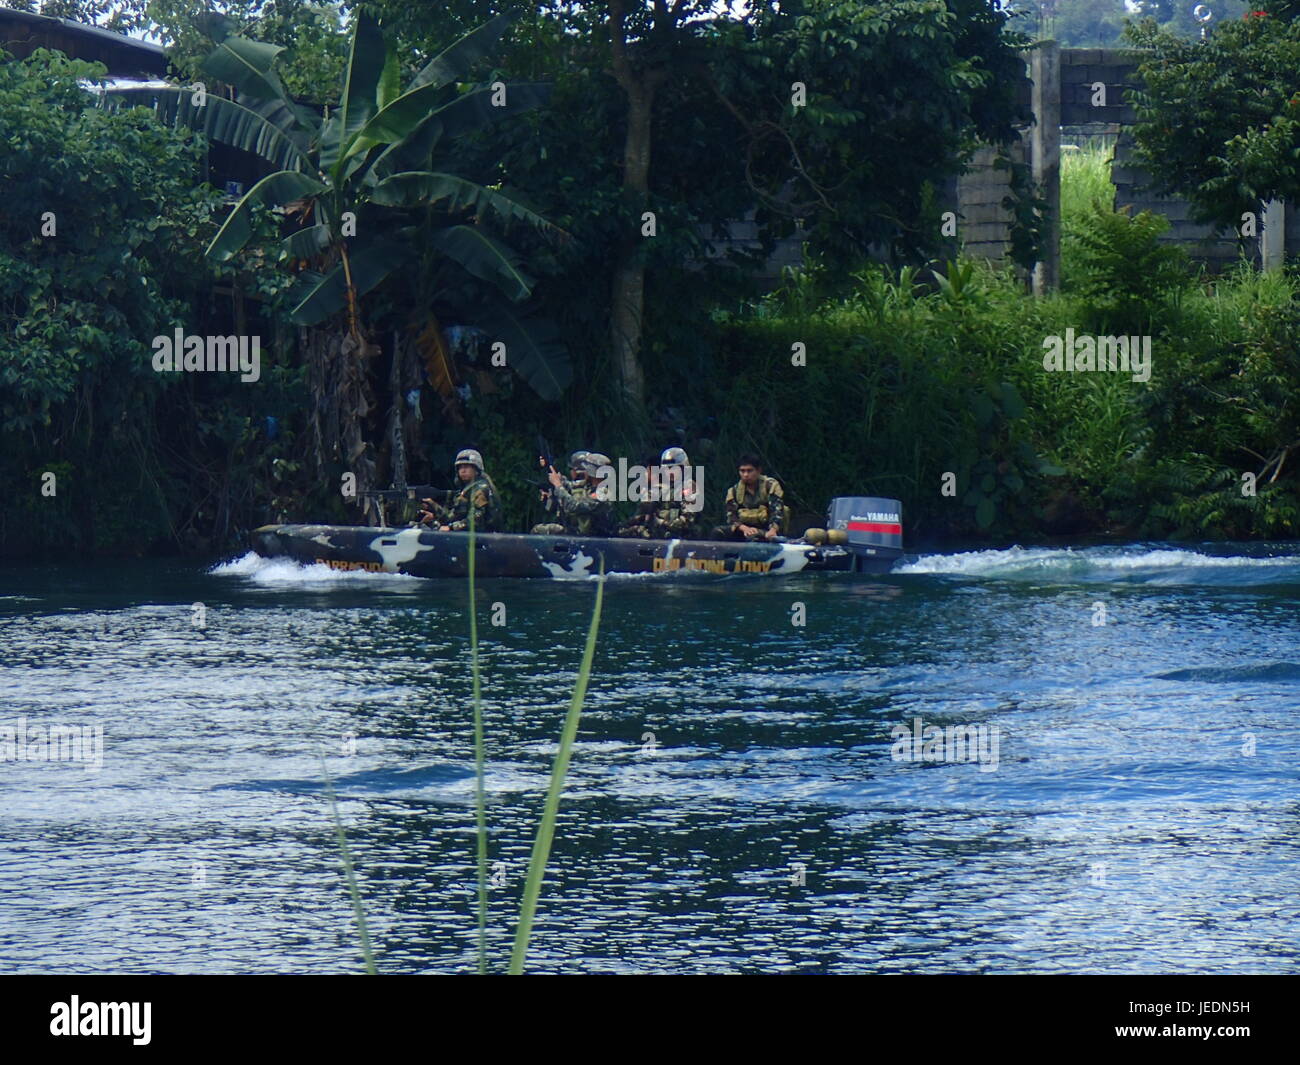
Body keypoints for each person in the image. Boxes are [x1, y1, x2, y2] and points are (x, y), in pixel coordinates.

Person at [619, 446, 698, 539]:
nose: (670, 472)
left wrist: (660, 522)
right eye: (667, 469)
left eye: (674, 468)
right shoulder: (663, 489)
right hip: (660, 537)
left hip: (683, 540)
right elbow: (646, 513)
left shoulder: (689, 488)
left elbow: (685, 522)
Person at [531, 451, 615, 536]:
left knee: (538, 530)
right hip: (581, 534)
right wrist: (549, 467)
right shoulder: (591, 487)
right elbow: (570, 485)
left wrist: (558, 485)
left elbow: (573, 506)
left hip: (592, 538)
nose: (584, 472)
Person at [419, 449, 500, 532]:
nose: (463, 470)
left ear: (476, 470)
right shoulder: (467, 490)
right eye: (460, 467)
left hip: (481, 540)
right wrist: (433, 506)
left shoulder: (481, 489)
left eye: (467, 467)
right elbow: (452, 518)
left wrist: (451, 528)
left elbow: (476, 519)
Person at [712, 453, 784, 541]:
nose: (745, 475)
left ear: (758, 470)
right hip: (743, 528)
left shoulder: (770, 486)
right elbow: (731, 516)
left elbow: (777, 511)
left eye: (749, 471)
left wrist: (773, 530)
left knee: (754, 538)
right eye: (742, 471)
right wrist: (744, 528)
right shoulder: (734, 491)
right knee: (718, 532)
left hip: (767, 530)